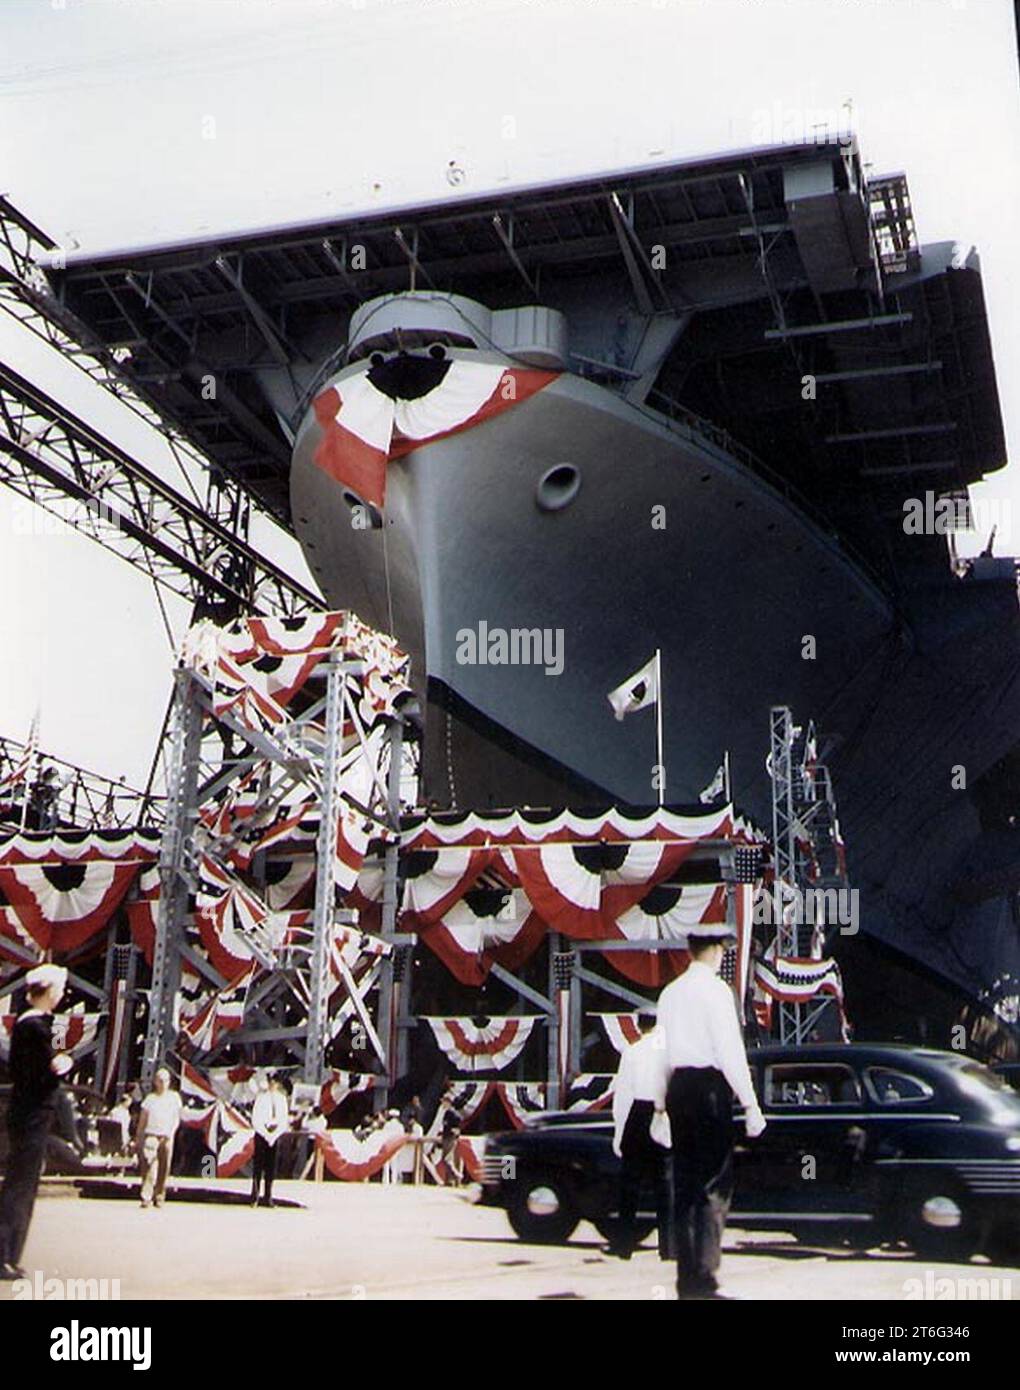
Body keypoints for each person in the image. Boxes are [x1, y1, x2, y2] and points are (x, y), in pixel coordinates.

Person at [657, 929, 767, 1300]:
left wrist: (659, 1105)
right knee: (713, 1185)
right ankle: (704, 1281)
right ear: (718, 951)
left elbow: (662, 1053)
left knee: (685, 1186)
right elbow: (729, 1052)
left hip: (679, 1088)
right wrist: (750, 1104)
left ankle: (687, 1279)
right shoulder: (718, 992)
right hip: (708, 1089)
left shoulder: (669, 994)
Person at [0, 963, 72, 1279]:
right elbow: (34, 1074)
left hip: (32, 1115)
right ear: (47, 991)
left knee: (24, 1187)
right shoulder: (33, 1028)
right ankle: (3, 1255)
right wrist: (57, 1066)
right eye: (58, 989)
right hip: (31, 1115)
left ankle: (10, 1255)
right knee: (19, 1188)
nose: (61, 994)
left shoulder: (35, 1025)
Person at [609, 1009, 671, 1260]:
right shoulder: (668, 1054)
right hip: (662, 1113)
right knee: (665, 1186)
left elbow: (623, 1093)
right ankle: (669, 1248)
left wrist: (619, 1130)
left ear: (638, 1026)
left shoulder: (632, 1052)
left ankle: (624, 1246)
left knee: (630, 1185)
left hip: (638, 1113)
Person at [136, 1066, 183, 1209]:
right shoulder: (150, 1099)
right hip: (151, 1135)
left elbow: (176, 1118)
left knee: (164, 1167)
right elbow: (143, 1119)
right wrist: (139, 1137)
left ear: (169, 1082)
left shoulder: (174, 1098)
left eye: (165, 1080)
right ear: (155, 1081)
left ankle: (160, 1196)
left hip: (167, 1135)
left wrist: (171, 1133)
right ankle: (146, 1196)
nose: (162, 1083)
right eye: (160, 1080)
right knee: (149, 1165)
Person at [250, 1073, 290, 1207]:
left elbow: (284, 1120)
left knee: (271, 1167)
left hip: (275, 1133)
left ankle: (268, 1197)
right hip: (262, 1133)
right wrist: (266, 1134)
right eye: (271, 1082)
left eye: (275, 1082)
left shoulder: (281, 1099)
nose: (273, 1085)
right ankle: (254, 1197)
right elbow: (255, 1119)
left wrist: (274, 1136)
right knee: (258, 1166)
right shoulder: (261, 1098)